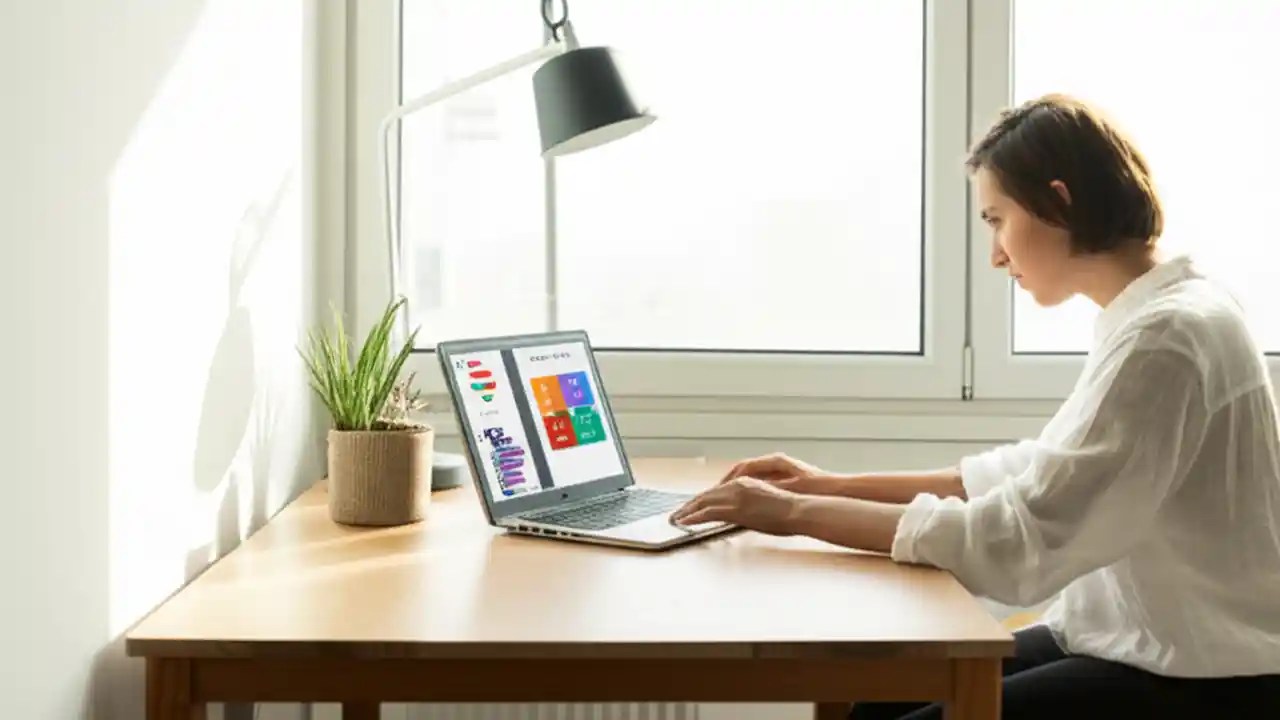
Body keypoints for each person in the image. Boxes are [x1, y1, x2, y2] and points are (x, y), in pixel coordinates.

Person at [669, 94, 1280, 718]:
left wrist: (796, 511)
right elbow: (1039, 472)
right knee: (875, 701)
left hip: (1204, 678)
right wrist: (833, 485)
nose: (995, 255)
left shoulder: (1165, 340)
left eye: (996, 219)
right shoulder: (1166, 311)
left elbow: (1019, 541)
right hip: (1134, 641)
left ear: (1058, 201)